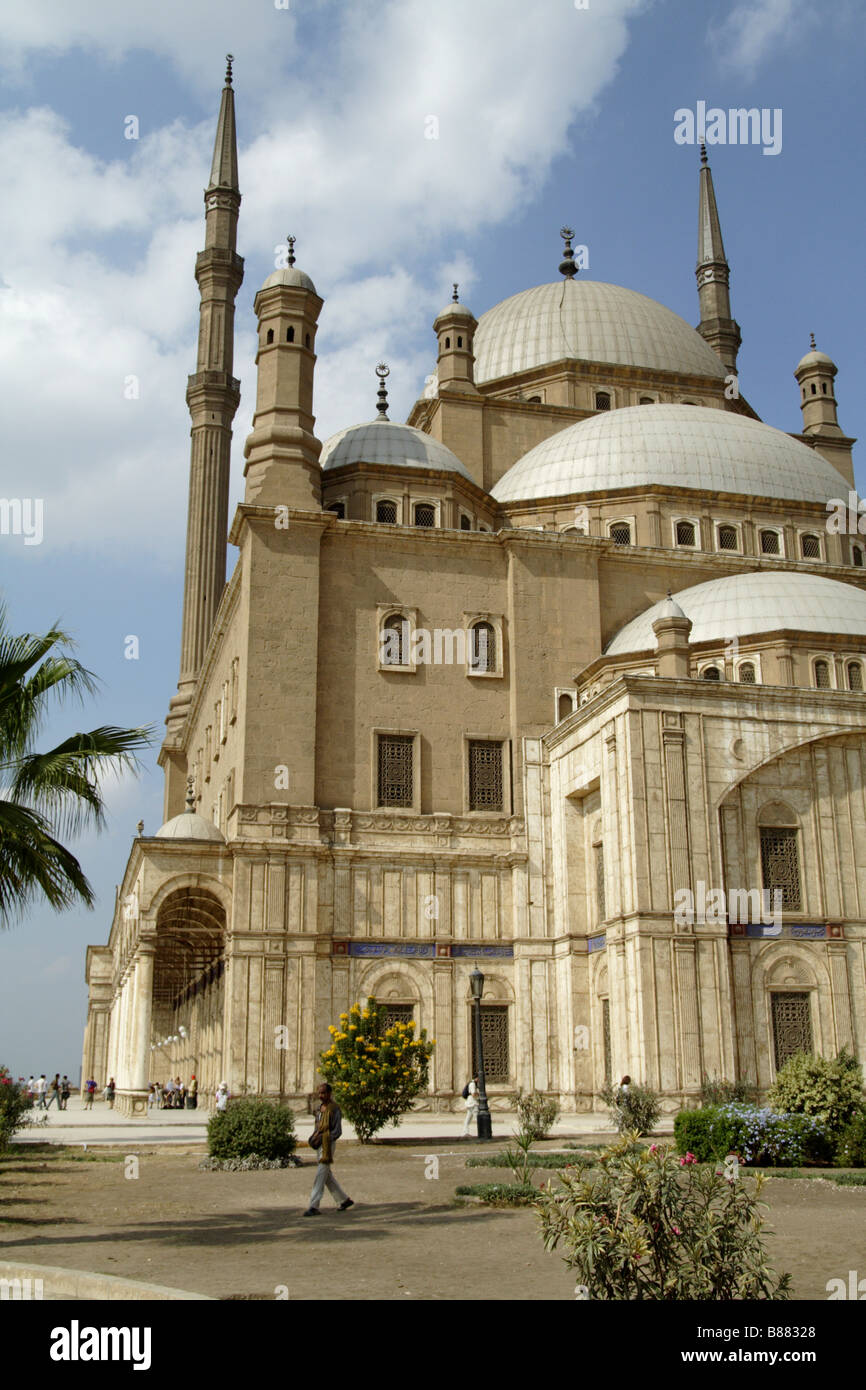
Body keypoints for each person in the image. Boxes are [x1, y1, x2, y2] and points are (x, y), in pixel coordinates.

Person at [304, 1082, 353, 1216]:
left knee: (321, 1173)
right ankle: (343, 1200)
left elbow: (337, 1131)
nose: (321, 1095)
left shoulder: (334, 1109)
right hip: (320, 1144)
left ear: (329, 1094)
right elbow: (317, 1128)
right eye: (319, 1093)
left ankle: (314, 1205)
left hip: (328, 1145)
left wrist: (326, 1138)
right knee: (326, 1175)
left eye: (323, 1093)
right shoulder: (319, 1109)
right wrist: (314, 1138)